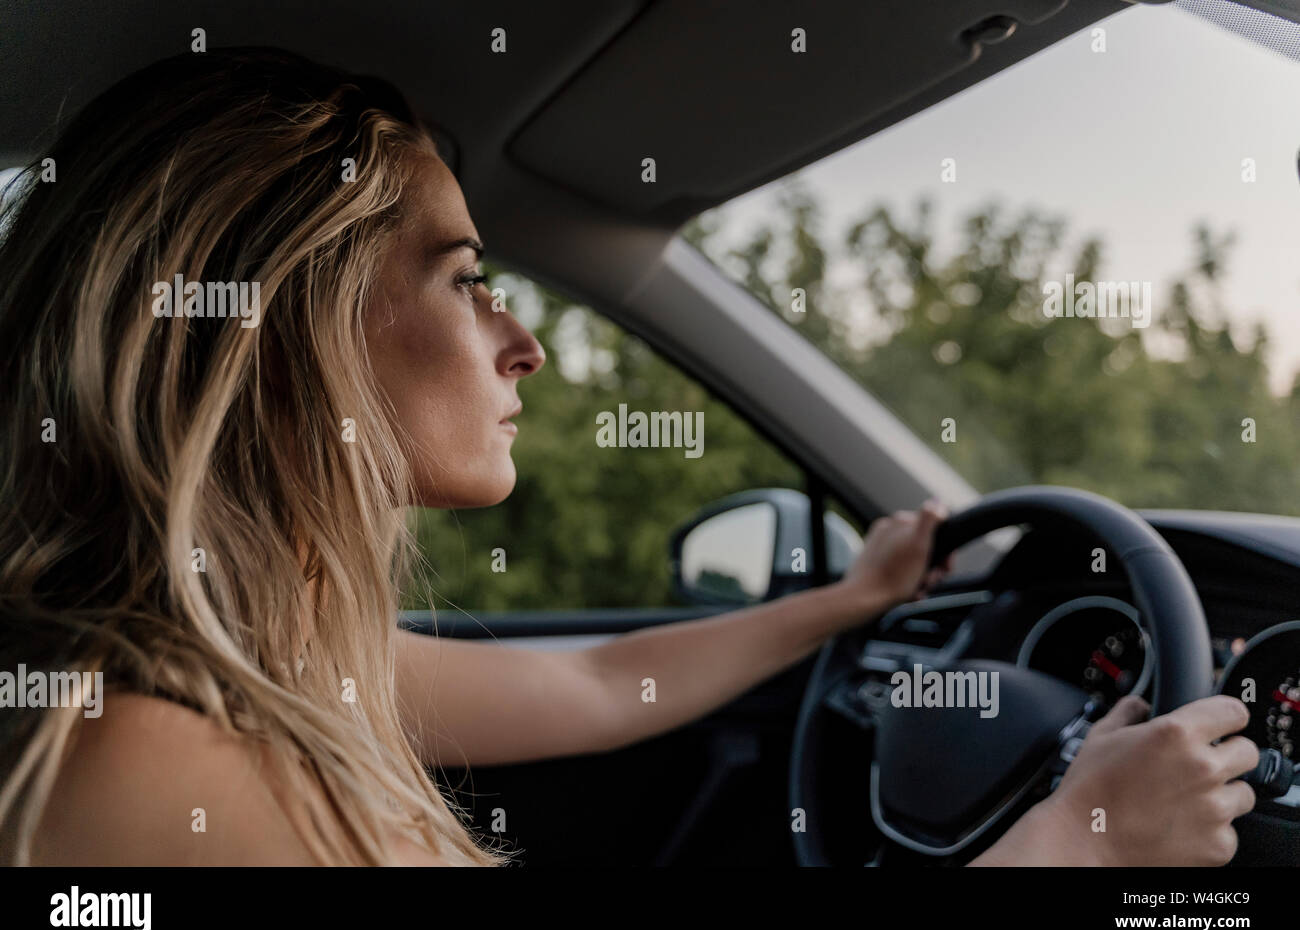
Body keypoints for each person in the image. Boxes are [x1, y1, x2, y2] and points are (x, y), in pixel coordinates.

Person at [0, 48, 1258, 867]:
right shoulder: (141, 757)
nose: (524, 344)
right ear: (282, 320)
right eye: (469, 280)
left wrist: (851, 599)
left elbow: (606, 680)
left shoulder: (271, 651)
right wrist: (1081, 835)